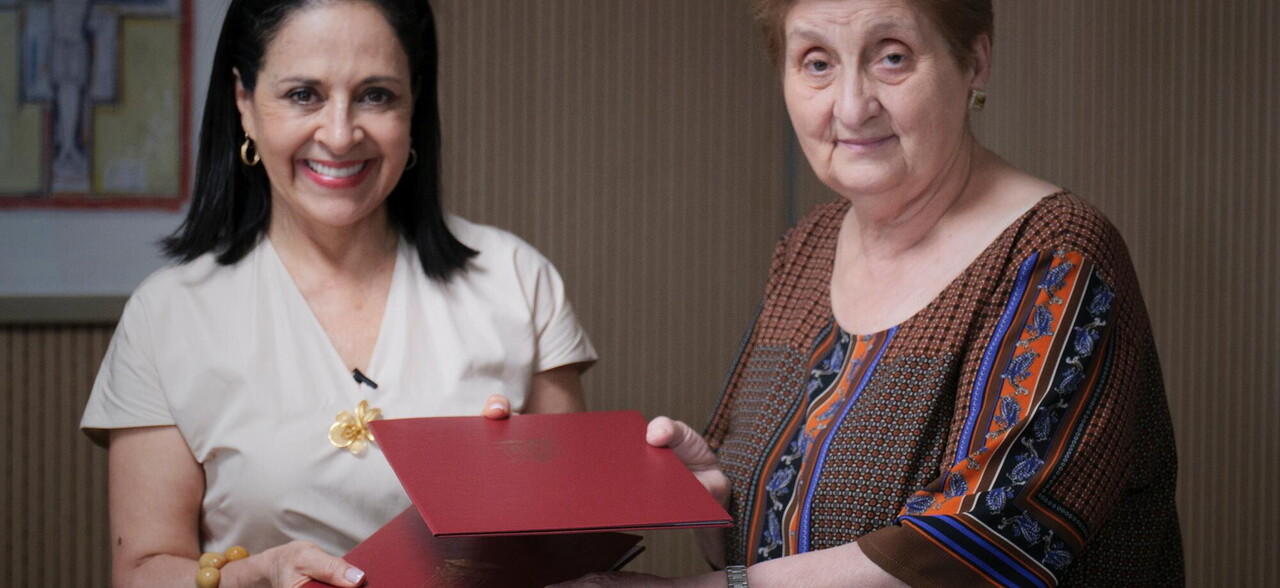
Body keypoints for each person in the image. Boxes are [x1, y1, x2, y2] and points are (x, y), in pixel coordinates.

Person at [548, 0, 1183, 586]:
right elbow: (775, 541)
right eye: (816, 63)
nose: (851, 107)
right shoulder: (808, 246)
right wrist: (717, 500)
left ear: (975, 62)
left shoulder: (1055, 252)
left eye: (892, 56)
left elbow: (984, 544)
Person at [79, 1, 596, 586]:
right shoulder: (165, 315)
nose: (340, 133)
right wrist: (261, 575)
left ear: (414, 102)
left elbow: (572, 553)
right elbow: (143, 570)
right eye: (304, 94)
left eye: (376, 95)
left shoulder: (518, 282)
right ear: (244, 101)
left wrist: (522, 483)